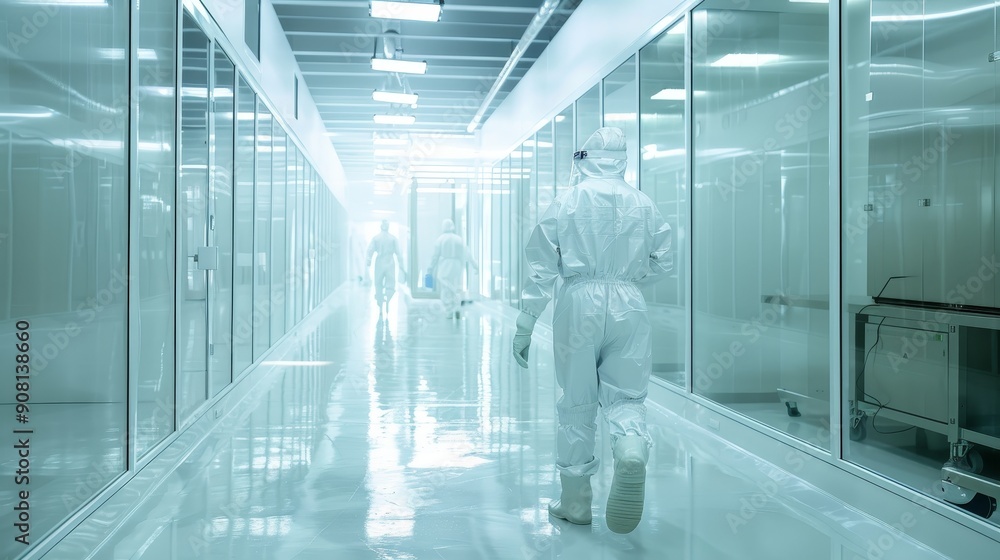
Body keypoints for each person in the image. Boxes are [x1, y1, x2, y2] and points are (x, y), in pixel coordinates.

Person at [512, 127, 672, 534]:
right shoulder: (644, 203)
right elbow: (666, 260)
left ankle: (576, 502)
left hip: (578, 301)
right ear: (621, 160)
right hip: (629, 303)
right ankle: (632, 446)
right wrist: (629, 280)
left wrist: (525, 322)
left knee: (578, 402)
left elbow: (541, 266)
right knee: (627, 396)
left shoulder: (567, 201)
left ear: (585, 158)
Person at [429, 219, 479, 319]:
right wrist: (475, 265)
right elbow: (468, 254)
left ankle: (449, 309)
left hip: (445, 265)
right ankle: (457, 307)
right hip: (457, 265)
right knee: (455, 286)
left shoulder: (440, 239)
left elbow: (435, 256)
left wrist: (430, 268)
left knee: (446, 287)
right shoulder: (459, 239)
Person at [366, 220, 407, 315]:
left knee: (378, 283)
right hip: (390, 262)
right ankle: (388, 300)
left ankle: (380, 304)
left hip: (379, 262)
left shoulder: (376, 238)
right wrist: (402, 266)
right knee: (391, 283)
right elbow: (399, 254)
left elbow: (370, 250)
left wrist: (369, 261)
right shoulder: (393, 239)